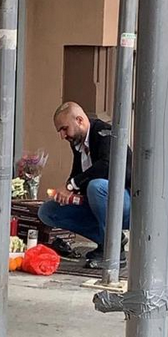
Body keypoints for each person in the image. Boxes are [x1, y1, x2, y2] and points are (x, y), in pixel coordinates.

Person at [38, 102, 132, 269]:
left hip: (127, 202)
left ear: (80, 120)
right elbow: (77, 174)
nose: (62, 135)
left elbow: (106, 165)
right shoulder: (77, 143)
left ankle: (114, 252)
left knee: (96, 187)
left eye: (64, 129)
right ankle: (109, 241)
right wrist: (67, 193)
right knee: (47, 211)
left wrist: (71, 185)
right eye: (60, 131)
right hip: (97, 203)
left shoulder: (104, 133)